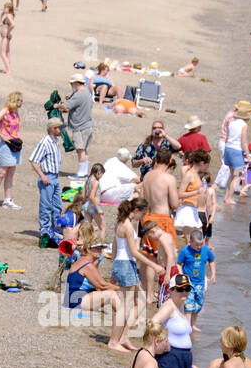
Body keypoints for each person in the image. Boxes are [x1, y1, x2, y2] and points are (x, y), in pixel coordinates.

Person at [65, 223, 132, 351]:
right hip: (76, 301)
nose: (100, 251)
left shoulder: (86, 261)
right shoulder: (86, 264)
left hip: (74, 299)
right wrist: (125, 289)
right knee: (112, 295)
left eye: (101, 248)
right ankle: (117, 338)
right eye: (97, 248)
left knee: (115, 297)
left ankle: (123, 333)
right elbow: (102, 285)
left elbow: (99, 283)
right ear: (89, 249)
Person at [29, 117, 63, 247]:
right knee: (46, 206)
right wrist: (42, 176)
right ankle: (44, 230)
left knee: (57, 205)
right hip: (47, 177)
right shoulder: (45, 142)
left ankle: (56, 230)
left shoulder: (55, 141)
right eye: (59, 128)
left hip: (55, 177)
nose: (61, 130)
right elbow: (33, 160)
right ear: (53, 129)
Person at [0, 91, 23, 209]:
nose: (21, 103)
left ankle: (7, 200)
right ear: (14, 100)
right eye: (19, 100)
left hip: (14, 144)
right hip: (5, 145)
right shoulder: (5, 110)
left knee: (11, 173)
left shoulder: (16, 112)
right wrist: (1, 136)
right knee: (1, 172)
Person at [140, 146, 179, 251]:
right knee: (169, 253)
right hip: (162, 219)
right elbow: (174, 204)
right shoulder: (169, 178)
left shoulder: (147, 176)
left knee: (150, 254)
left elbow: (141, 199)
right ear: (170, 161)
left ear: (156, 159)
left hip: (147, 218)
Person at [178, 230, 215, 330]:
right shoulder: (185, 251)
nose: (199, 247)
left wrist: (213, 274)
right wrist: (182, 276)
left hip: (200, 283)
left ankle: (192, 325)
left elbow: (212, 261)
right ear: (190, 242)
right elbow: (178, 264)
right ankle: (187, 326)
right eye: (197, 245)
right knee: (189, 305)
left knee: (198, 305)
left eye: (201, 244)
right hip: (188, 283)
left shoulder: (206, 250)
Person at [58, 74, 94, 178]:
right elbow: (76, 107)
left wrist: (57, 105)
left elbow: (66, 105)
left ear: (76, 83)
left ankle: (81, 174)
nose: (71, 85)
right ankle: (84, 172)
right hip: (87, 125)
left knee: (80, 150)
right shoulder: (87, 93)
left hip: (80, 127)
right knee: (84, 150)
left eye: (72, 83)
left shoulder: (79, 94)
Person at [220, 102, 251, 204]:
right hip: (236, 151)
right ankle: (229, 198)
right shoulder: (244, 125)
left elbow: (229, 136)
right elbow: (244, 142)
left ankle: (226, 196)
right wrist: (248, 155)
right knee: (237, 176)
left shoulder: (232, 122)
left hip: (228, 149)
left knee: (232, 175)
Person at [79, 164, 106, 239]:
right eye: (101, 174)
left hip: (87, 206)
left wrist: (83, 204)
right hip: (94, 206)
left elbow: (83, 195)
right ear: (99, 172)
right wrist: (98, 209)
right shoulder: (96, 182)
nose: (101, 177)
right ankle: (101, 245)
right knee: (103, 228)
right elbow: (92, 196)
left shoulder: (87, 179)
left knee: (86, 228)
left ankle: (83, 244)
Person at [198, 168, 217, 240]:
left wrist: (212, 216)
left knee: (207, 234)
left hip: (207, 214)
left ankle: (206, 244)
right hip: (200, 212)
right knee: (199, 232)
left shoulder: (211, 190)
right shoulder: (198, 190)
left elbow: (214, 204)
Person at [0, 3, 15, 74]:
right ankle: (8, 68)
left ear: (9, 9)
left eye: (5, 8)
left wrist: (8, 31)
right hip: (5, 36)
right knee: (7, 53)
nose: (4, 9)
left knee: (2, 53)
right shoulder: (8, 16)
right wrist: (1, 16)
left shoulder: (8, 15)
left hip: (5, 36)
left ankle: (8, 69)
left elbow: (13, 24)